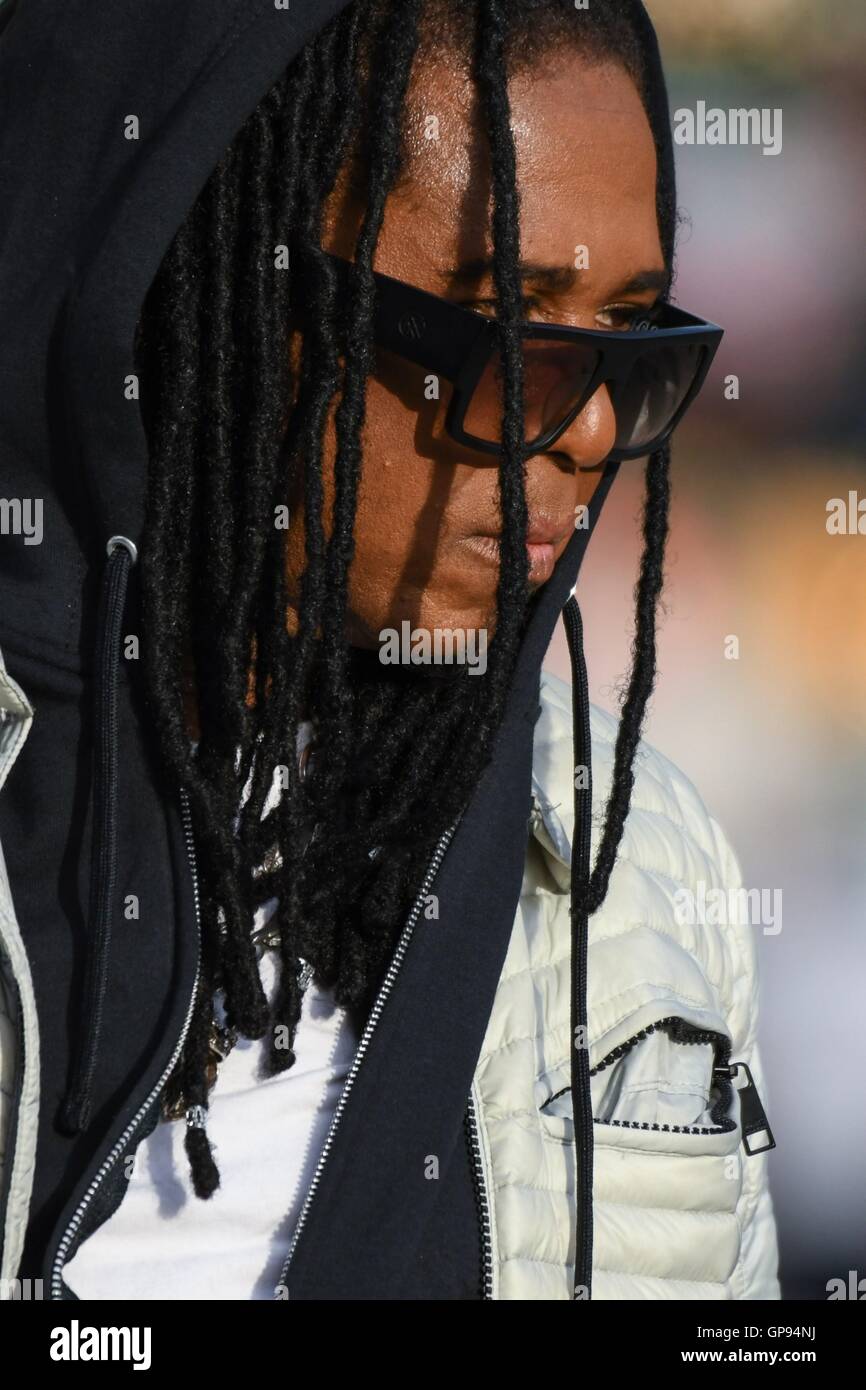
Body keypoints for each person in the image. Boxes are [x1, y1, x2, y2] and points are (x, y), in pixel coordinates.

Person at [0, 0, 780, 1300]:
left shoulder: (626, 855)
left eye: (634, 344)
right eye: (511, 339)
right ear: (207, 277)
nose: (587, 434)